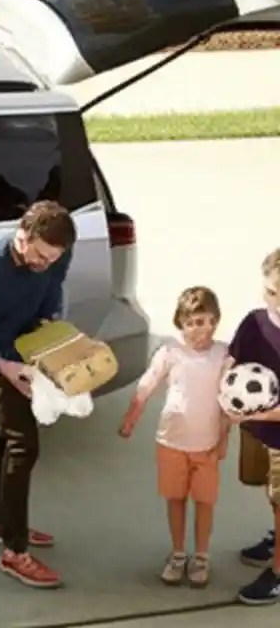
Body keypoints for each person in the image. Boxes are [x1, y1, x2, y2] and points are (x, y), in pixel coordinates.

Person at [0, 200, 77, 589]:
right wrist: (2, 365)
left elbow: (51, 293)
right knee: (23, 443)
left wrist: (53, 337)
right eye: (39, 255)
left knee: (6, 436)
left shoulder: (56, 254)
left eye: (53, 258)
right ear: (23, 235)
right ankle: (14, 552)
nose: (45, 263)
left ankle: (3, 524)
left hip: (25, 349)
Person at [118, 286, 232, 588]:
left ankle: (202, 556)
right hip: (171, 442)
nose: (202, 329)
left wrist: (223, 439)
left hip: (206, 445)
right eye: (194, 322)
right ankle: (179, 553)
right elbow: (147, 386)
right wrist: (131, 418)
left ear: (216, 321)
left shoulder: (222, 355)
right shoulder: (170, 352)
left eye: (208, 321)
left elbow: (228, 401)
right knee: (176, 498)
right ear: (181, 324)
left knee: (205, 502)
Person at [223, 248, 280, 606]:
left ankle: (277, 574)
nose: (270, 298)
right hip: (260, 431)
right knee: (269, 492)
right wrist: (223, 390)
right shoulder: (256, 321)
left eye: (276, 292)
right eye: (268, 289)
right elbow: (233, 358)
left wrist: (254, 414)